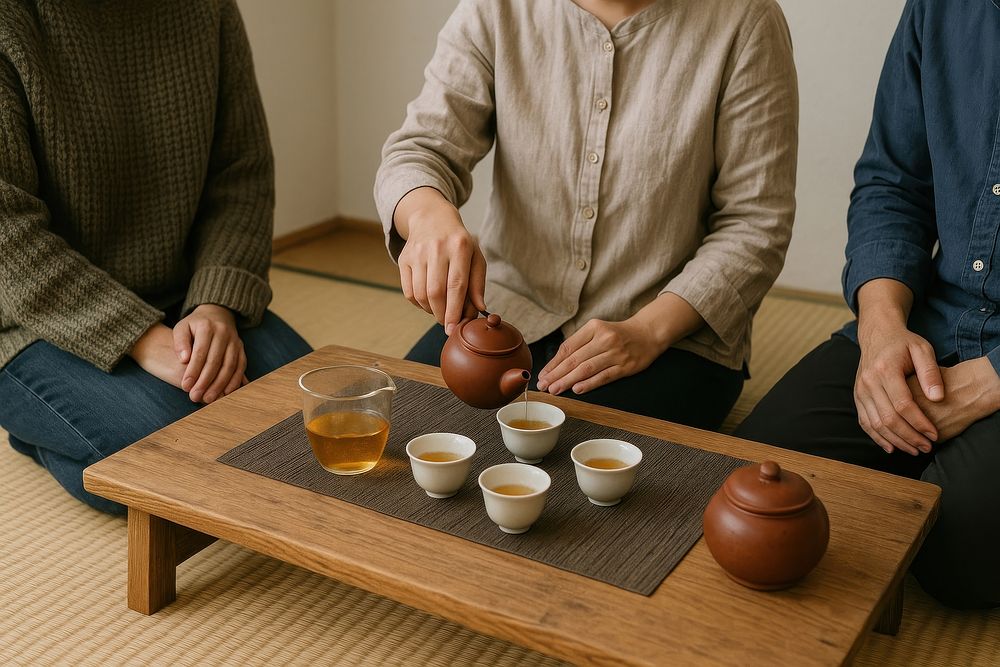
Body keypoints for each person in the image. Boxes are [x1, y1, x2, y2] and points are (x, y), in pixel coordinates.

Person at [374, 0, 798, 429]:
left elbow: (756, 221)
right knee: (407, 431)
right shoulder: (494, 10)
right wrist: (428, 217)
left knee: (590, 478)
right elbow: (422, 149)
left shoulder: (745, 20)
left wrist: (649, 330)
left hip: (669, 331)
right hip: (511, 310)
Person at [736, 0, 1000, 609]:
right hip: (935, 317)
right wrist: (881, 329)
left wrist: (989, 384)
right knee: (757, 476)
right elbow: (892, 182)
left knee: (958, 556)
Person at [0, 0, 312, 515]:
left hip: (187, 299)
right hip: (34, 323)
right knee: (180, 463)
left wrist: (216, 305)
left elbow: (242, 172)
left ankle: (77, 432)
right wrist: (140, 338)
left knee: (323, 417)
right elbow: (7, 235)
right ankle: (41, 429)